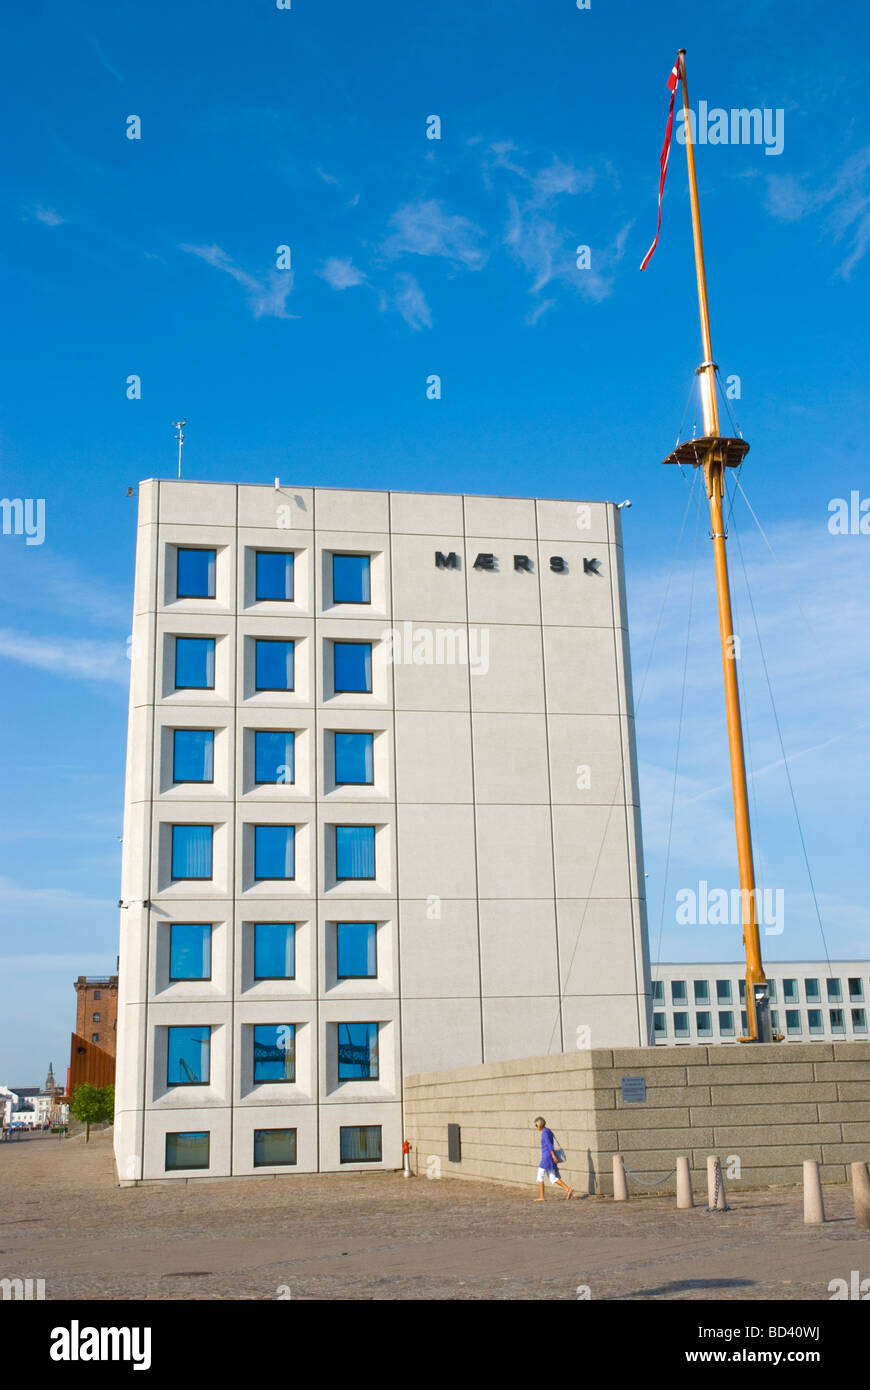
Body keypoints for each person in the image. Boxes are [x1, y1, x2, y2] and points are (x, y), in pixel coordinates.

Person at [533, 1116, 572, 1201]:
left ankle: (542, 1197)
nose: (536, 1128)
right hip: (549, 1156)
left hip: (547, 1157)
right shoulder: (548, 1131)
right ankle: (568, 1189)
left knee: (540, 1175)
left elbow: (549, 1145)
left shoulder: (544, 1132)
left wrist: (553, 1156)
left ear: (539, 1125)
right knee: (552, 1177)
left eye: (536, 1126)